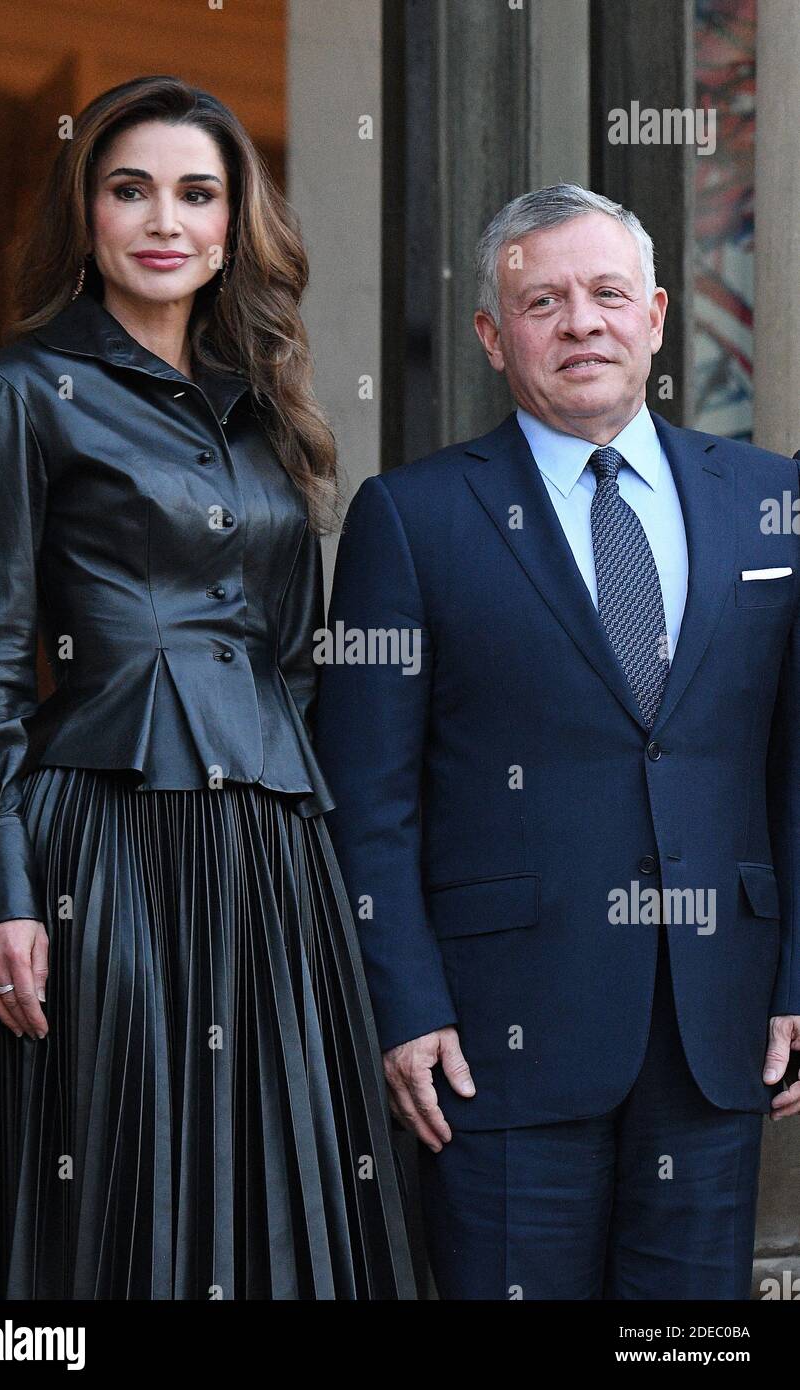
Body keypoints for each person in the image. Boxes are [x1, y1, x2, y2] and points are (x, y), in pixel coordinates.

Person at [0, 74, 415, 1301]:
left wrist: (314, 860)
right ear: (85, 212)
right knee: (111, 1181)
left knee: (275, 1187)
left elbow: (293, 659)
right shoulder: (18, 390)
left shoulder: (267, 416)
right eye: (129, 188)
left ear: (231, 225)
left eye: (197, 193)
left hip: (267, 859)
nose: (164, 219)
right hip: (98, 845)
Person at [314, 183, 800, 1300]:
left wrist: (792, 970)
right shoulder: (411, 517)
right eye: (541, 301)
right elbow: (367, 795)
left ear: (656, 315)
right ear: (491, 334)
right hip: (494, 1041)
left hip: (714, 1027)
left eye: (604, 294)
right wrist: (405, 1005)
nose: (578, 322)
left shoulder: (771, 502)